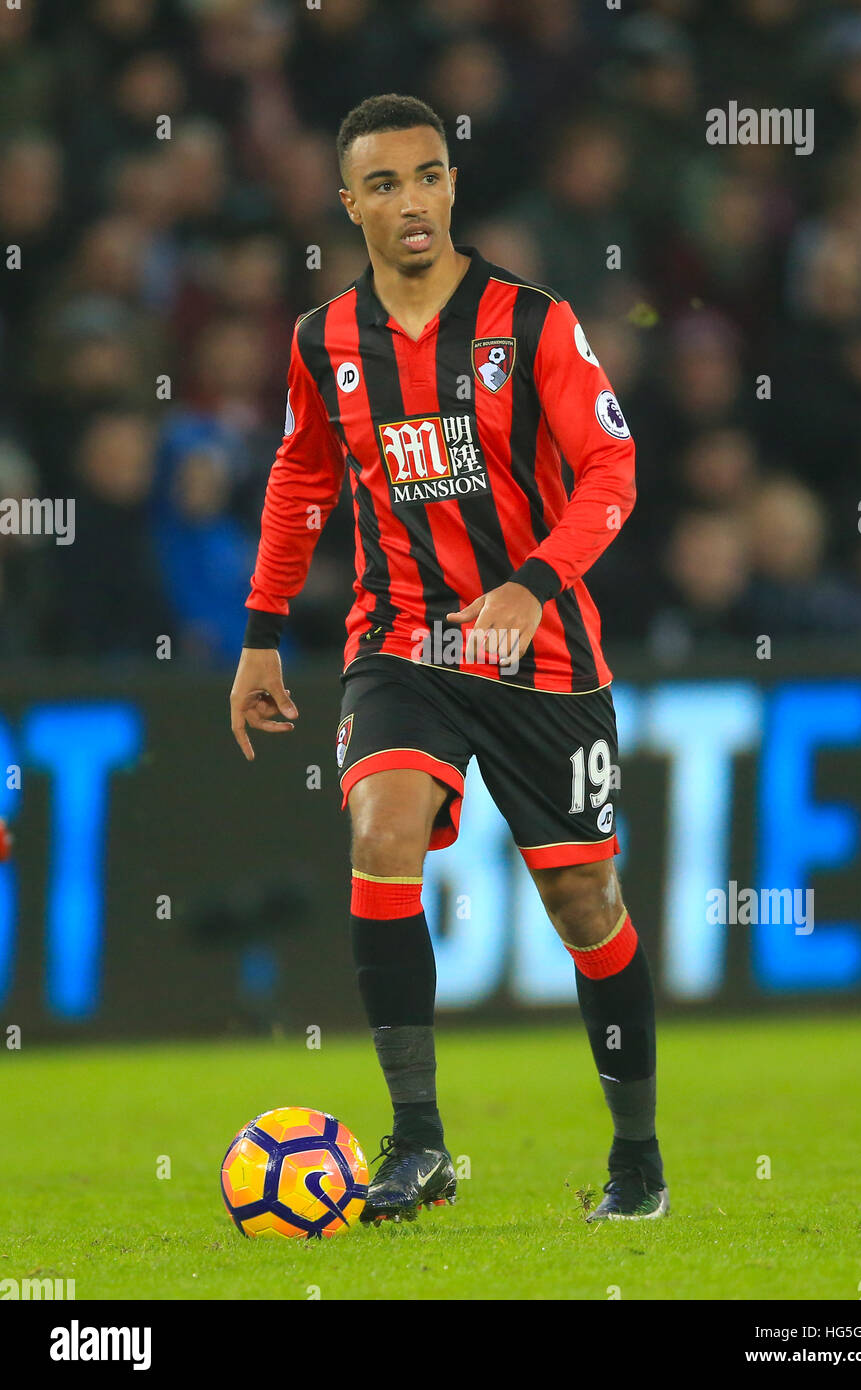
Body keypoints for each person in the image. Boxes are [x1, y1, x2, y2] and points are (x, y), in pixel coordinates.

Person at [229, 93, 668, 1224]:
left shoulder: (532, 322)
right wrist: (261, 635)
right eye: (383, 184)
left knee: (582, 898)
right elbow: (300, 482)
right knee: (378, 833)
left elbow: (613, 476)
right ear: (349, 204)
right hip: (401, 643)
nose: (410, 201)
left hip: (544, 656)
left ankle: (637, 1158)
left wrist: (529, 586)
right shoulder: (322, 341)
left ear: (452, 186)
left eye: (426, 176)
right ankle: (418, 1141)